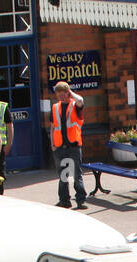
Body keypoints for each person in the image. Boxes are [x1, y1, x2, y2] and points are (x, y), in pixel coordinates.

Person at [50, 81, 87, 210]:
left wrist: (71, 93)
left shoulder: (75, 105)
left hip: (74, 145)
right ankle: (64, 200)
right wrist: (52, 144)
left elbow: (81, 100)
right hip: (60, 146)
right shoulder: (55, 107)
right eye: (58, 94)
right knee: (63, 175)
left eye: (63, 93)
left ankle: (81, 200)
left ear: (67, 93)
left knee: (77, 174)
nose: (60, 96)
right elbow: (53, 126)